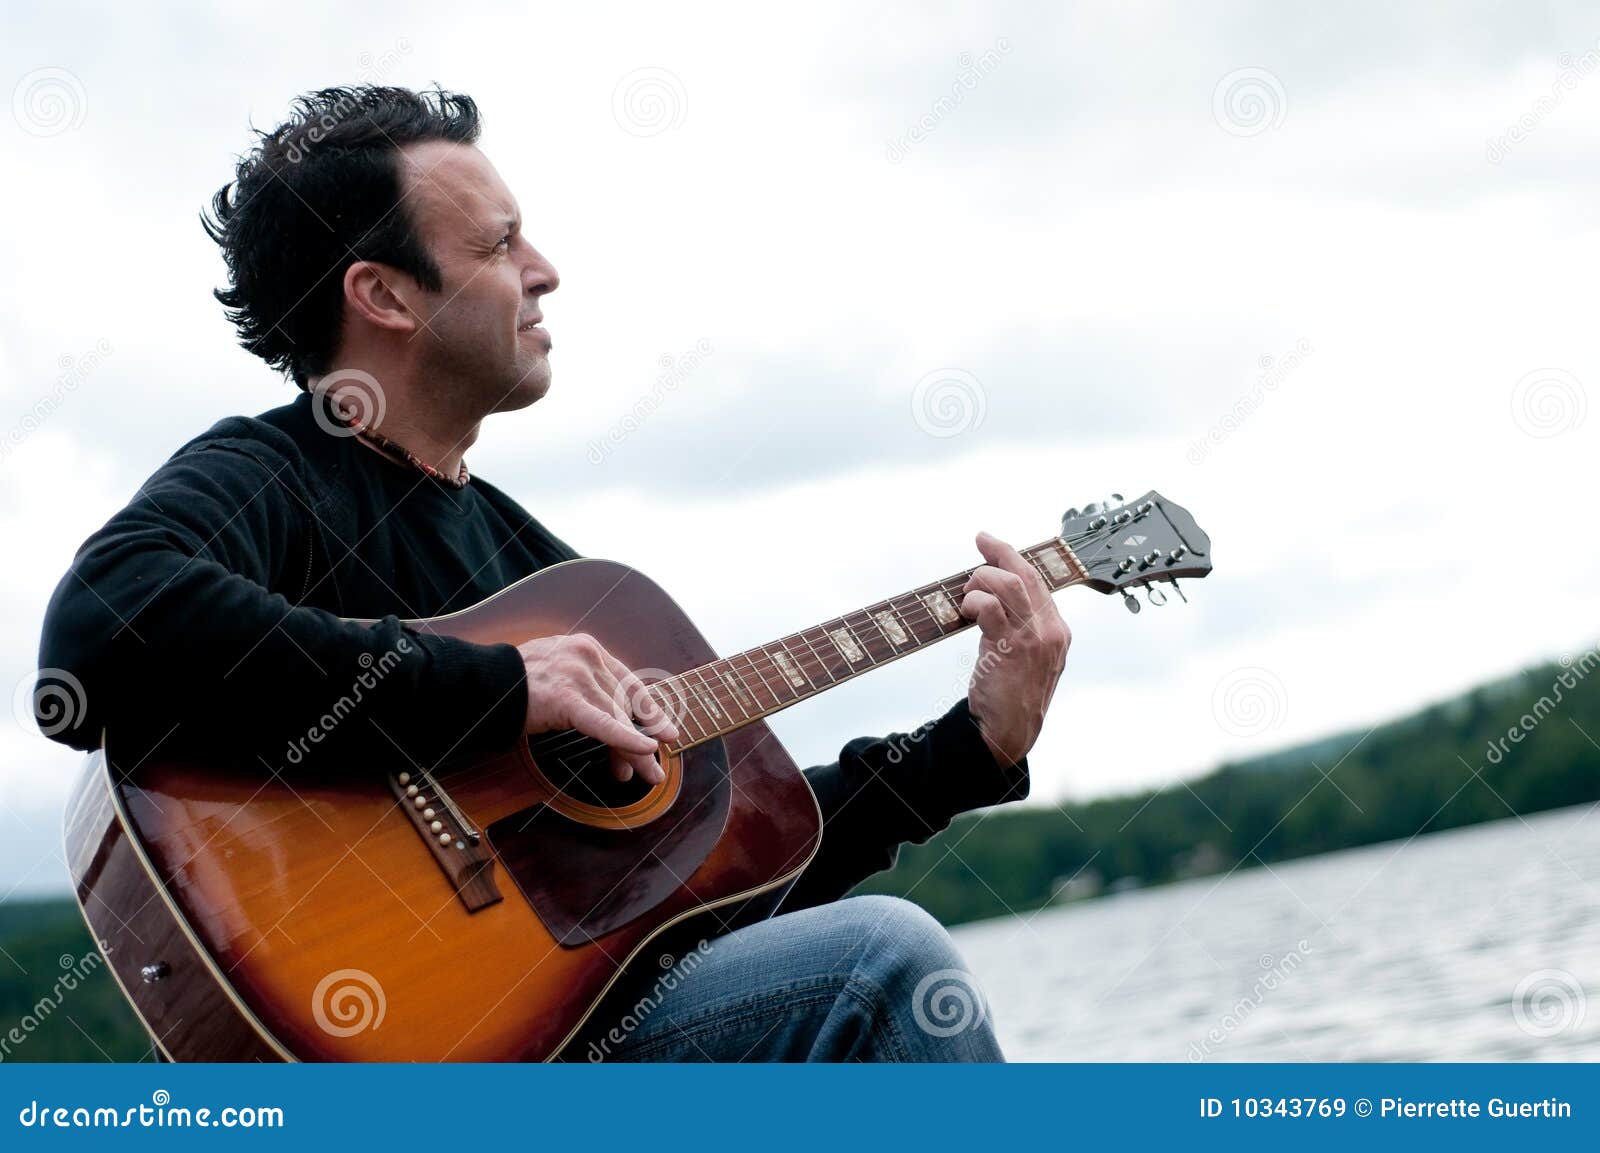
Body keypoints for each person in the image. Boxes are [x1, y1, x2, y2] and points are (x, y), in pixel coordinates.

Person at [35, 86, 1070, 1062]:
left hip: (575, 1043)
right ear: (384, 294)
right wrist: (504, 690)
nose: (545, 269)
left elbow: (732, 869)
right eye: (498, 242)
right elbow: (104, 626)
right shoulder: (276, 474)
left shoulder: (553, 580)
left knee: (858, 964)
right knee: (885, 959)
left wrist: (972, 749)